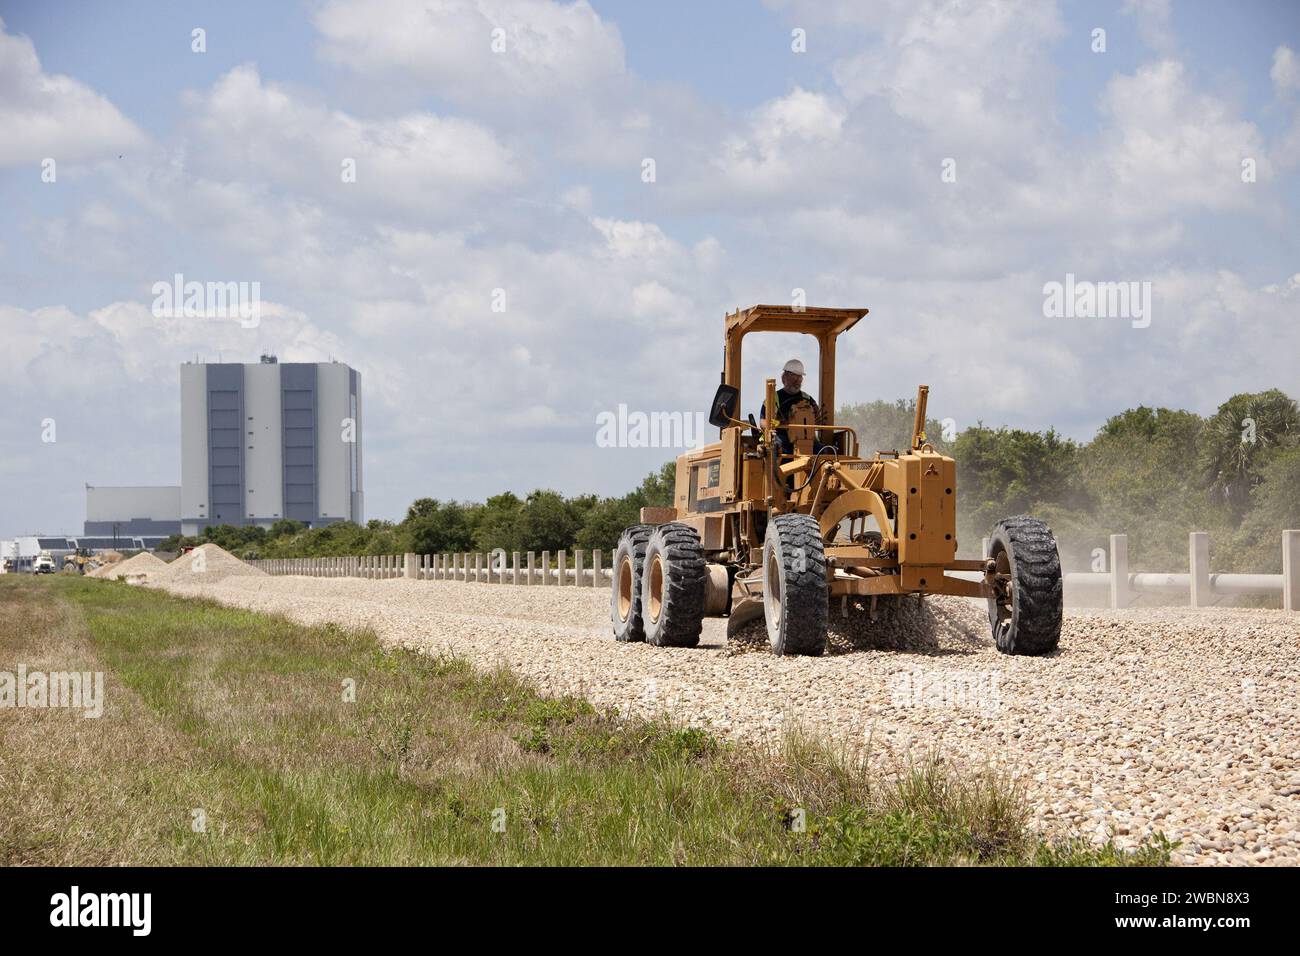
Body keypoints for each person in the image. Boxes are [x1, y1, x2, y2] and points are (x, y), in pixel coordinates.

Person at [760, 358, 823, 456]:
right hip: (781, 436)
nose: (797, 381)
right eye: (794, 377)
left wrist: (814, 420)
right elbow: (762, 422)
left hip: (806, 438)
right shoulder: (772, 398)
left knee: (822, 450)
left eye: (799, 378)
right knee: (777, 447)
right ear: (784, 378)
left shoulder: (808, 399)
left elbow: (818, 419)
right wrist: (778, 423)